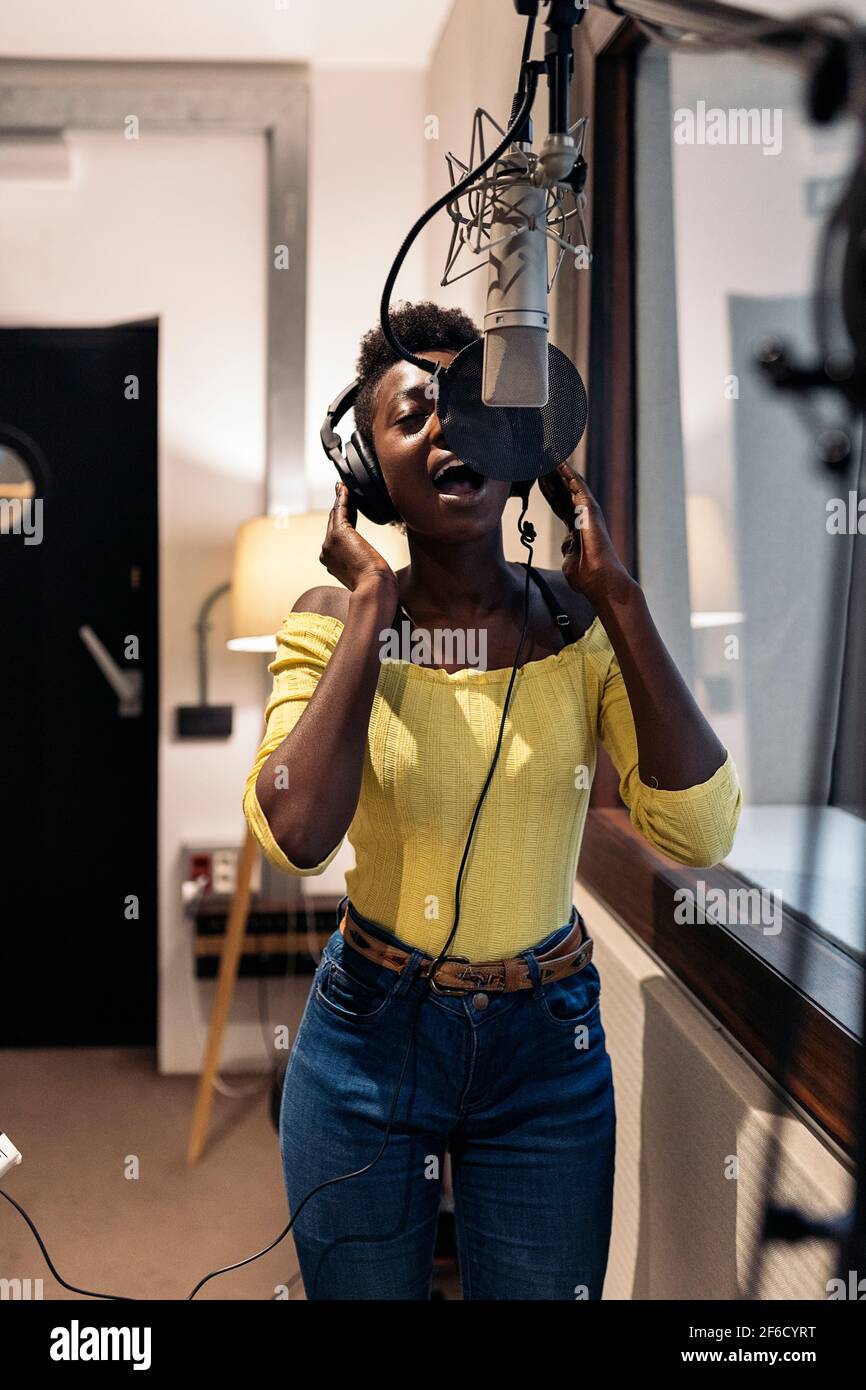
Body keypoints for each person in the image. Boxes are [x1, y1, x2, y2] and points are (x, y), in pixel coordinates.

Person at [243, 300, 742, 1301]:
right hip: (366, 1040)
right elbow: (297, 833)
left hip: (544, 1052)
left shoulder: (579, 631)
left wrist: (622, 601)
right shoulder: (330, 623)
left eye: (468, 410)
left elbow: (695, 828)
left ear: (522, 448)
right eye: (411, 415)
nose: (444, 433)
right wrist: (369, 616)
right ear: (367, 473)